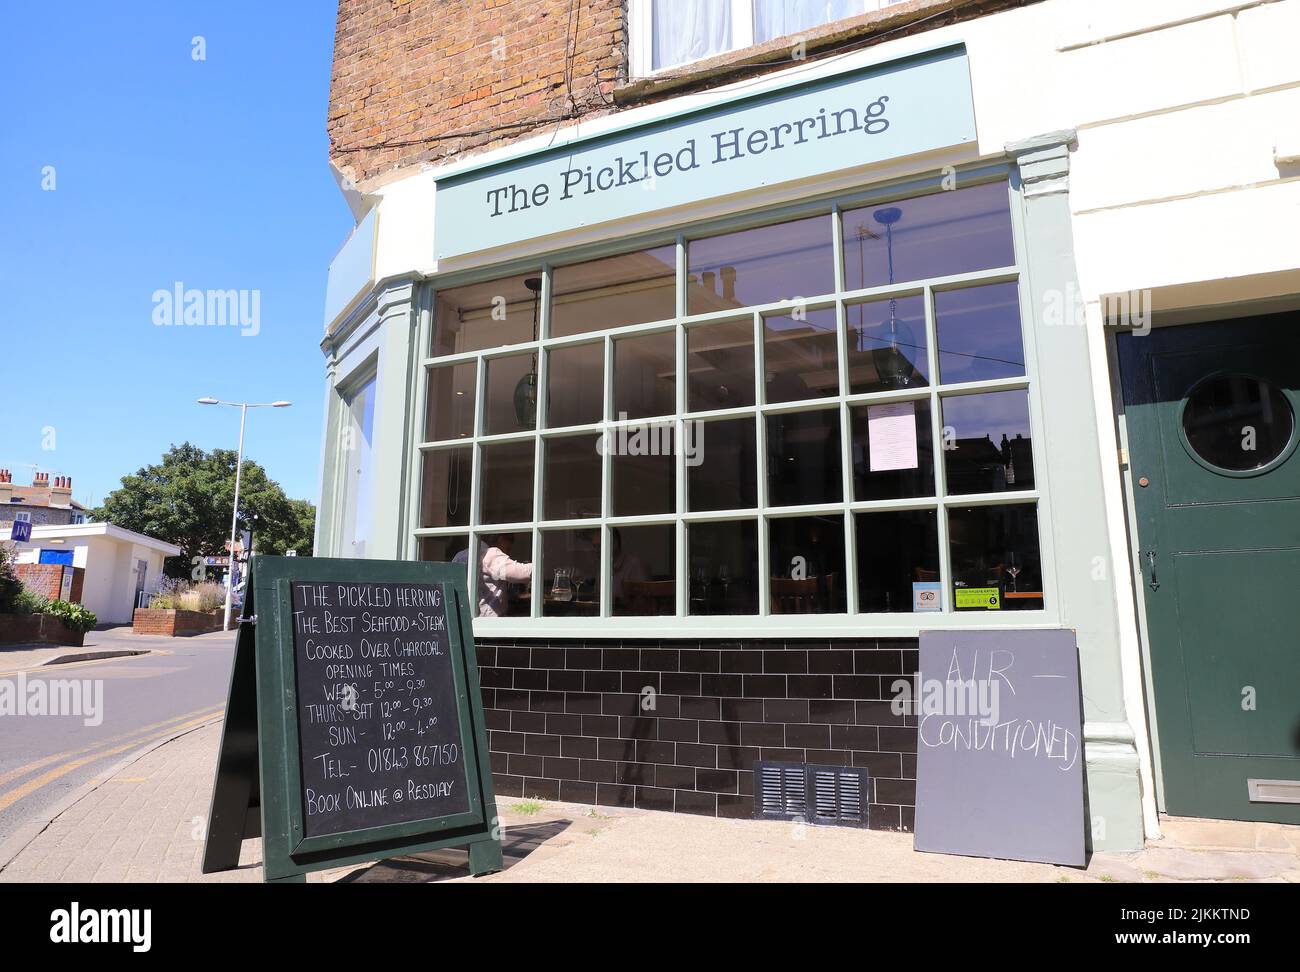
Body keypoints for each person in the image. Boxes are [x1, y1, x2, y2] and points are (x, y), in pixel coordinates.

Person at [460, 535, 533, 618]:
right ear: (500, 539)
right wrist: (540, 564)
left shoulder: (460, 555)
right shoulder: (490, 554)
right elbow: (523, 572)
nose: (507, 553)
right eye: (507, 548)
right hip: (489, 620)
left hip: (467, 617)